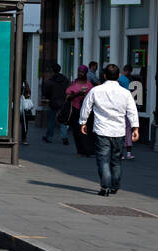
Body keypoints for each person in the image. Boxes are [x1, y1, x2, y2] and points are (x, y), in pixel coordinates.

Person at [81, 63, 140, 196]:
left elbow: (86, 106)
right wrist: (135, 128)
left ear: (104, 75)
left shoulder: (96, 90)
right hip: (119, 131)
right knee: (116, 160)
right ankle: (115, 185)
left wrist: (83, 122)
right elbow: (132, 111)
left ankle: (105, 187)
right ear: (119, 76)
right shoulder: (125, 93)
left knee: (103, 159)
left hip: (102, 130)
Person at [65, 66, 94, 156]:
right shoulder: (74, 83)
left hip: (87, 110)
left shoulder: (89, 85)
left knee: (87, 130)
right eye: (79, 71)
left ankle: (88, 150)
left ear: (85, 73)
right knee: (77, 131)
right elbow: (68, 97)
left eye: (82, 72)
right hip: (76, 109)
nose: (80, 73)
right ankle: (80, 150)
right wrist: (78, 94)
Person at [40, 63, 69, 143]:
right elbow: (68, 90)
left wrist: (48, 97)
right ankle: (64, 136)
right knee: (62, 119)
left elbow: (46, 92)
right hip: (63, 101)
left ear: (52, 70)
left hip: (53, 102)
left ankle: (49, 136)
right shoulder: (65, 79)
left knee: (51, 120)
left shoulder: (50, 81)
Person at [19, 80, 34, 145]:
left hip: (17, 106)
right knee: (25, 124)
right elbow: (28, 94)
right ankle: (24, 139)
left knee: (14, 123)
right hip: (24, 108)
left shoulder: (13, 82)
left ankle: (14, 137)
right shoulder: (25, 83)